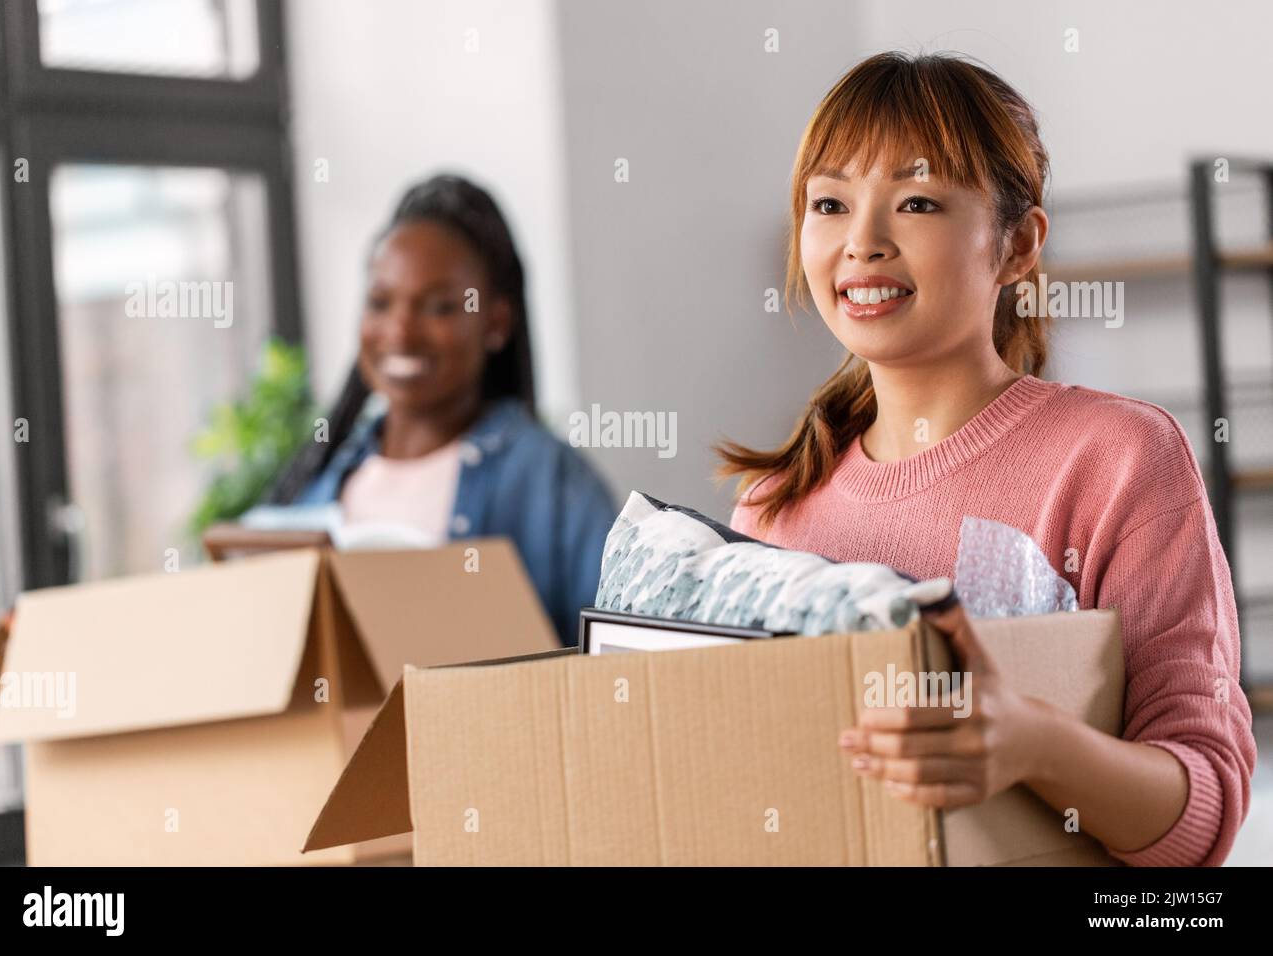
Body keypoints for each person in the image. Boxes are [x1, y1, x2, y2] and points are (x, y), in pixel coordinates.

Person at [717, 52, 1255, 866]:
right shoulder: (770, 510)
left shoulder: (1117, 460)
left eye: (919, 202)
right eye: (829, 203)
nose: (862, 243)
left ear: (1017, 245)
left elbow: (1203, 812)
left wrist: (1036, 746)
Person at [269, 174, 617, 647]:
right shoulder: (318, 483)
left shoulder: (549, 481)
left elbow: (620, 666)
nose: (401, 333)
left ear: (495, 323)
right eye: (380, 302)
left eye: (438, 307)